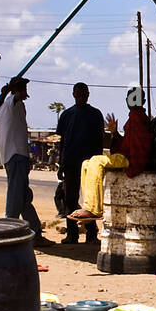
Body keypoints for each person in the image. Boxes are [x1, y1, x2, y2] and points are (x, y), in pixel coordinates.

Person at [67, 86, 151, 223]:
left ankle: (94, 209)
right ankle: (89, 204)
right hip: (126, 155)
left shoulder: (137, 117)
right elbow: (127, 143)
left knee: (96, 161)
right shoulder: (135, 118)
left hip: (130, 159)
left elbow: (136, 147)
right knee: (86, 164)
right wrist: (115, 133)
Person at [0, 76, 53, 245]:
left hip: (15, 156)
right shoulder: (12, 103)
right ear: (16, 90)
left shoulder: (1, 108)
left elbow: (4, 101)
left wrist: (5, 93)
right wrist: (13, 92)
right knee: (15, 197)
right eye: (23, 88)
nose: (25, 92)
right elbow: (15, 97)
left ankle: (35, 233)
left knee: (24, 197)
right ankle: (9, 232)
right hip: (16, 155)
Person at [55, 82, 104, 244]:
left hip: (90, 164)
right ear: (74, 95)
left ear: (88, 95)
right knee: (70, 199)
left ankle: (91, 233)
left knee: (90, 200)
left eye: (84, 94)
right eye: (78, 93)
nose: (81, 96)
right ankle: (72, 234)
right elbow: (62, 141)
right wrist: (61, 163)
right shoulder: (66, 115)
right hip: (70, 162)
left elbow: (100, 141)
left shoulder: (96, 114)